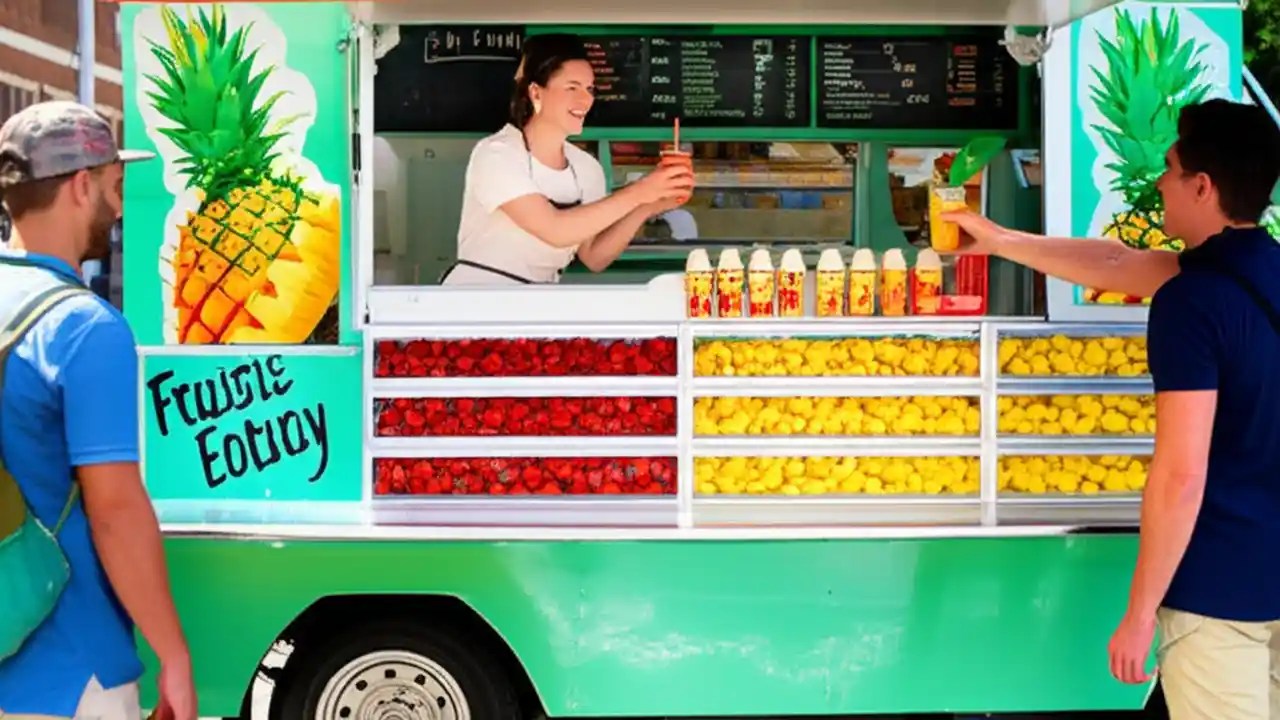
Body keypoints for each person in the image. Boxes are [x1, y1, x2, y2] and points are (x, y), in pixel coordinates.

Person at [943, 98, 1280, 720]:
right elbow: (1119, 264)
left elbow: (1181, 477)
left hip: (1221, 594)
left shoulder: (1191, 303)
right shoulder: (1251, 274)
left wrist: (1139, 614)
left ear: (1202, 187)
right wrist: (1000, 240)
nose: (1158, 182)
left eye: (1171, 169)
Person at [0, 101, 196, 720]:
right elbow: (113, 510)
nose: (116, 208)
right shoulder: (85, 328)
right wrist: (174, 655)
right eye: (114, 187)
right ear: (81, 186)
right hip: (70, 668)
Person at [441, 33, 695, 284]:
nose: (585, 99)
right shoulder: (498, 154)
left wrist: (648, 205)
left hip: (538, 304)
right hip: (476, 302)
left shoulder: (587, 168)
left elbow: (594, 257)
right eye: (572, 87)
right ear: (536, 93)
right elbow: (555, 230)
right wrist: (640, 191)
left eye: (589, 89)